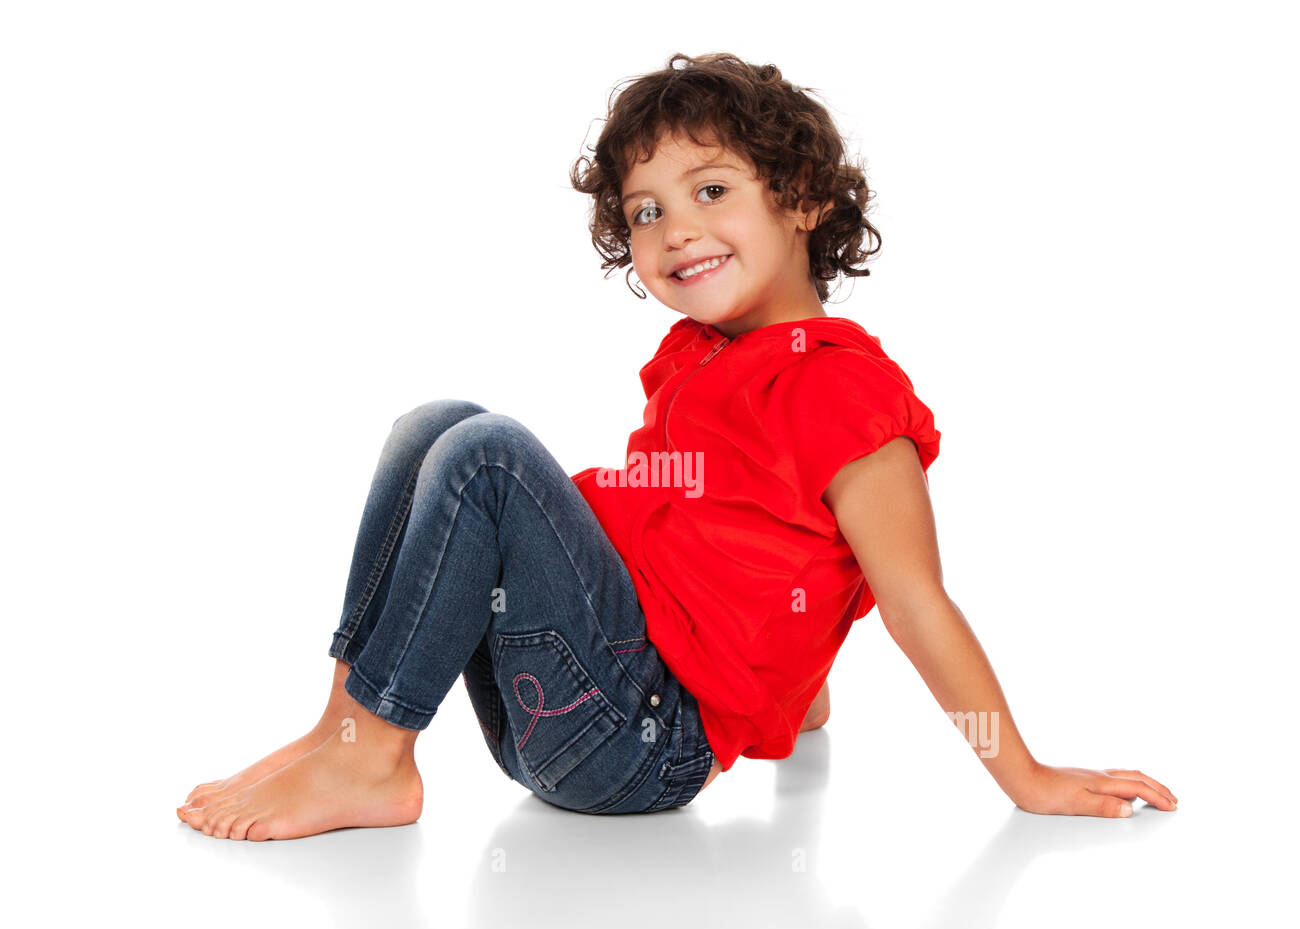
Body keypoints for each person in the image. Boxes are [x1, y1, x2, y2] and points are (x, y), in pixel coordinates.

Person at [178, 52, 1176, 840]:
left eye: (709, 191)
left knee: (485, 454)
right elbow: (733, 536)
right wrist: (801, 691)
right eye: (645, 211)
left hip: (635, 745)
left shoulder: (842, 390)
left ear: (803, 199)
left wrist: (1025, 773)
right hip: (570, 712)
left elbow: (911, 599)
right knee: (433, 425)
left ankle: (375, 759)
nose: (672, 231)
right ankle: (347, 728)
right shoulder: (701, 361)